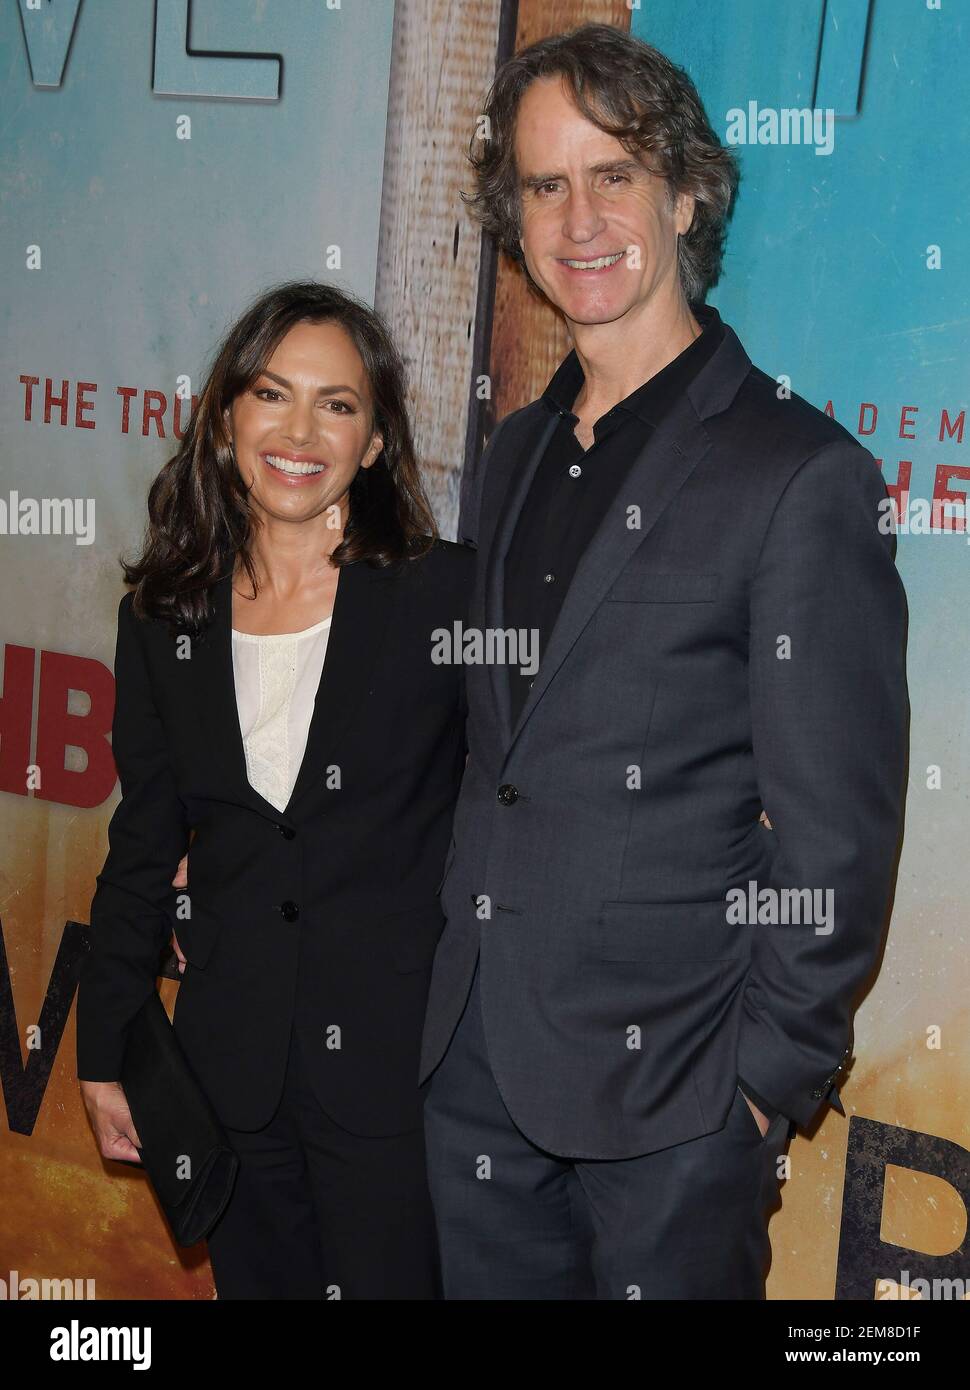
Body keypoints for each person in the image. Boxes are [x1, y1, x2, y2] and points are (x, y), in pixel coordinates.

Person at [419, 24, 909, 1299]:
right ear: (512, 218)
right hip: (477, 1069)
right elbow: (497, 755)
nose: (577, 218)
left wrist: (755, 1087)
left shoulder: (799, 474)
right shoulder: (517, 453)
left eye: (613, 174)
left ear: (686, 194)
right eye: (542, 184)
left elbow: (836, 843)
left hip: (673, 1102)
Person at [77, 280, 474, 1299]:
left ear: (376, 440)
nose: (299, 431)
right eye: (270, 394)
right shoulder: (165, 614)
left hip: (400, 1084)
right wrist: (106, 1041)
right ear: (224, 419)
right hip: (229, 1076)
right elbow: (143, 839)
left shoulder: (446, 597)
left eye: (337, 404)